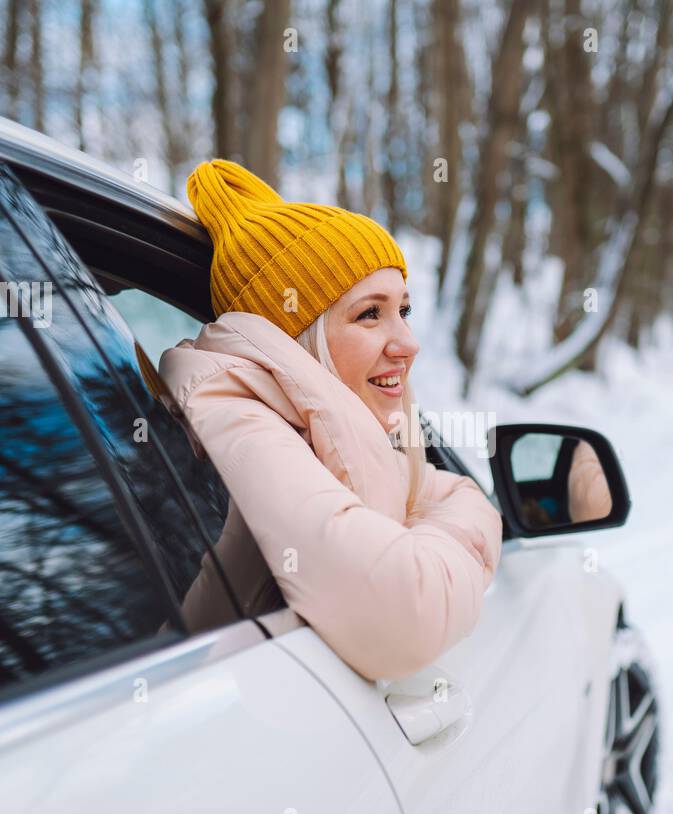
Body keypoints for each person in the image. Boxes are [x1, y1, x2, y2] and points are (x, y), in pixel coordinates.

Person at [150, 159, 502, 683]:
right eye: (369, 314)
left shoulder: (346, 427)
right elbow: (407, 614)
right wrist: (443, 538)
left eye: (403, 310)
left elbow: (451, 492)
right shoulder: (244, 420)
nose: (409, 344)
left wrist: (428, 534)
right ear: (293, 338)